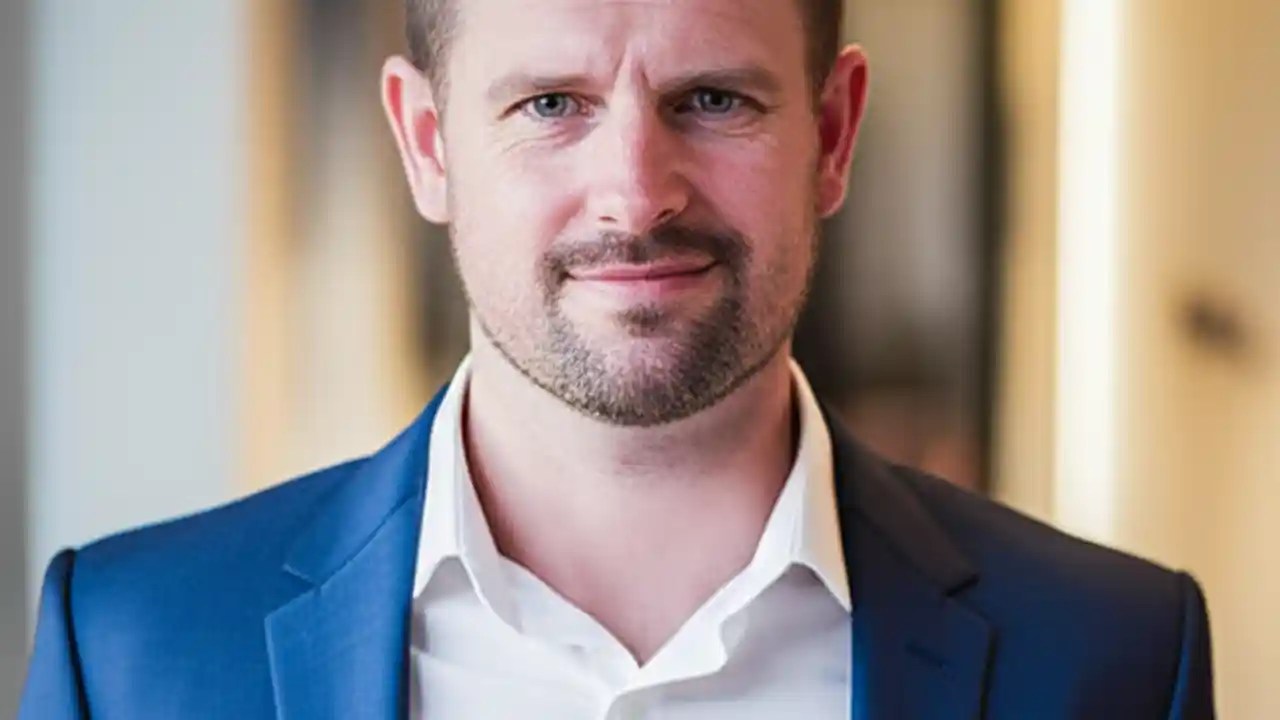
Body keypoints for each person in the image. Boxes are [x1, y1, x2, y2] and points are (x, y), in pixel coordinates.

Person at [20, 0, 1215, 717]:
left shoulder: (1108, 659)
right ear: (427, 145)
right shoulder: (131, 654)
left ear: (833, 136)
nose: (636, 194)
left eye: (710, 99)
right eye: (550, 104)